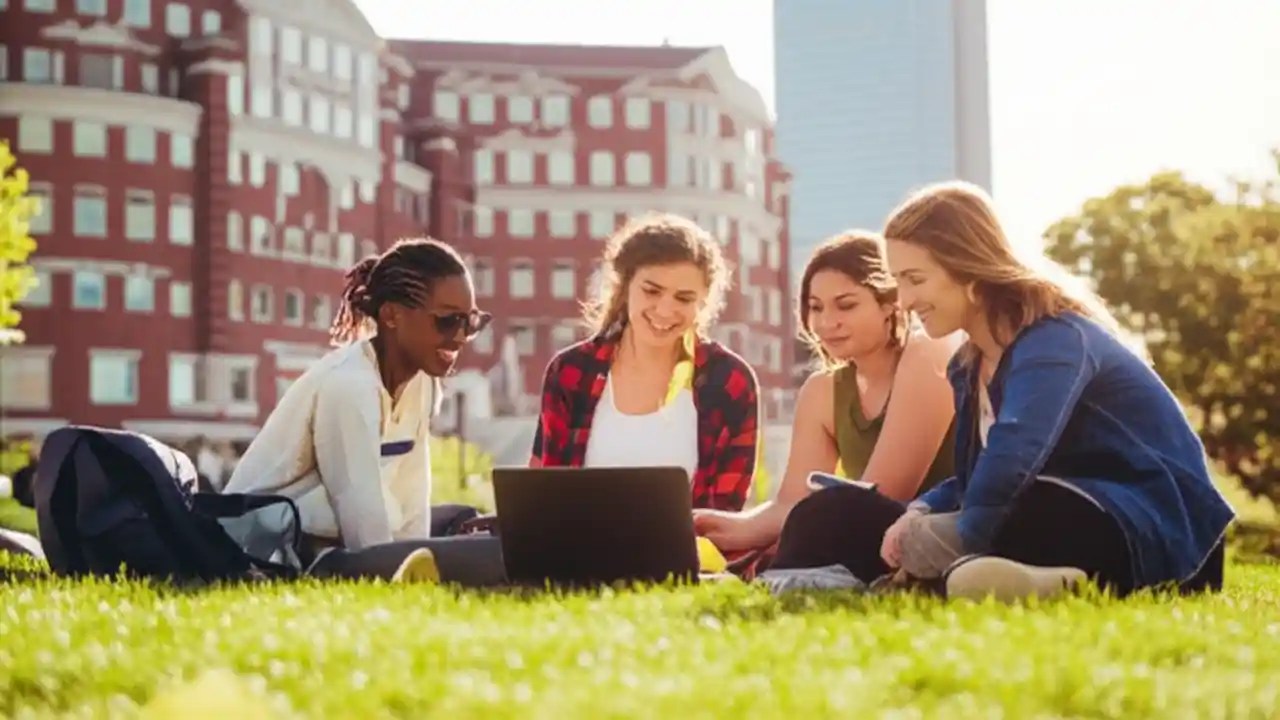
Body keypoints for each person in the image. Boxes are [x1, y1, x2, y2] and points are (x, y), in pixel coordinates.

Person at [770, 181, 1235, 601]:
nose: (905, 301)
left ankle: (1020, 577)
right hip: (1023, 514)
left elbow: (1014, 455)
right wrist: (919, 511)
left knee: (1028, 501)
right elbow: (975, 478)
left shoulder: (1056, 340)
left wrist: (956, 533)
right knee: (835, 508)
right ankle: (989, 579)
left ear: (967, 272)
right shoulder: (967, 366)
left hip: (1144, 531)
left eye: (915, 280)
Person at [224, 238, 503, 584]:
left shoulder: (422, 383)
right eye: (447, 321)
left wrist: (423, 548)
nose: (461, 337)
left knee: (467, 521)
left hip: (341, 537)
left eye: (471, 322)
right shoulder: (349, 386)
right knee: (496, 554)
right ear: (391, 315)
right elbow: (361, 519)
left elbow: (412, 491)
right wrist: (404, 562)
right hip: (286, 551)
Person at [693, 231, 960, 575]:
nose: (825, 323)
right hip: (858, 531)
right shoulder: (822, 390)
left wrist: (804, 521)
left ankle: (771, 577)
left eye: (846, 305)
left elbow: (883, 495)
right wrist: (720, 526)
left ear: (889, 303)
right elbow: (789, 503)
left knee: (834, 508)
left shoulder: (927, 355)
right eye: (815, 307)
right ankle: (761, 575)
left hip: (930, 529)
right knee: (812, 517)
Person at [531, 213, 761, 514]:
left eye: (683, 298)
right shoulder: (571, 372)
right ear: (625, 286)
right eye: (651, 291)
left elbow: (724, 515)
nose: (665, 310)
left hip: (685, 560)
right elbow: (543, 493)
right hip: (578, 558)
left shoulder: (731, 382)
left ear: (703, 302)